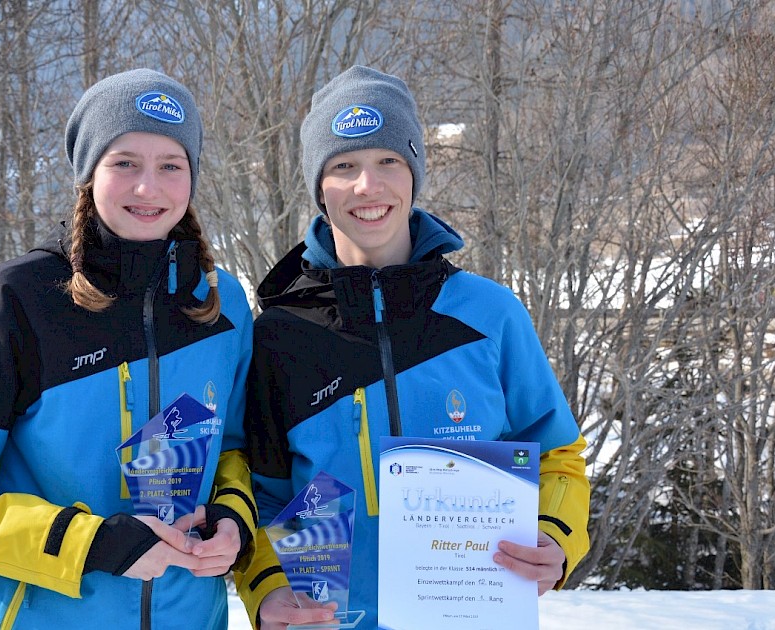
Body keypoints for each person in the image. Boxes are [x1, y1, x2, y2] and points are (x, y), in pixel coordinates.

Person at [0, 69, 256, 630]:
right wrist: (89, 544)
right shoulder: (18, 298)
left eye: (171, 165)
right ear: (89, 172)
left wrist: (232, 515)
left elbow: (233, 448)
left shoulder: (222, 302)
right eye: (125, 162)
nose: (147, 187)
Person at [233, 66, 591, 629]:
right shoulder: (281, 335)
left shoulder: (489, 314)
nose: (367, 187)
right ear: (319, 188)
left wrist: (556, 536)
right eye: (343, 166)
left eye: (388, 162)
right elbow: (263, 495)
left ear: (414, 174)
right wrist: (267, 592)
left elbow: (557, 457)